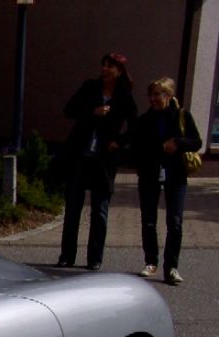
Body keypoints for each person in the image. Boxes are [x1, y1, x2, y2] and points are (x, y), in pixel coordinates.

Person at [57, 53, 138, 270]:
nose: (104, 69)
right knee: (73, 207)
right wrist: (93, 112)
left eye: (110, 67)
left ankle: (94, 259)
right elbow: (69, 110)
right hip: (80, 156)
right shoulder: (89, 88)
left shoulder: (124, 96)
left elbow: (134, 127)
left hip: (103, 161)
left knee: (100, 211)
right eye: (103, 65)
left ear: (119, 71)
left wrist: (118, 142)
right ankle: (67, 255)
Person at [131, 77, 202, 286]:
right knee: (149, 220)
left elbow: (196, 142)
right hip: (150, 175)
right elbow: (137, 146)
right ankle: (150, 261)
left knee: (175, 222)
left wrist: (178, 142)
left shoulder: (182, 116)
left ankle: (171, 267)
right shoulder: (145, 120)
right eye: (151, 94)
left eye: (157, 94)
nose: (153, 98)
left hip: (176, 175)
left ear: (168, 96)